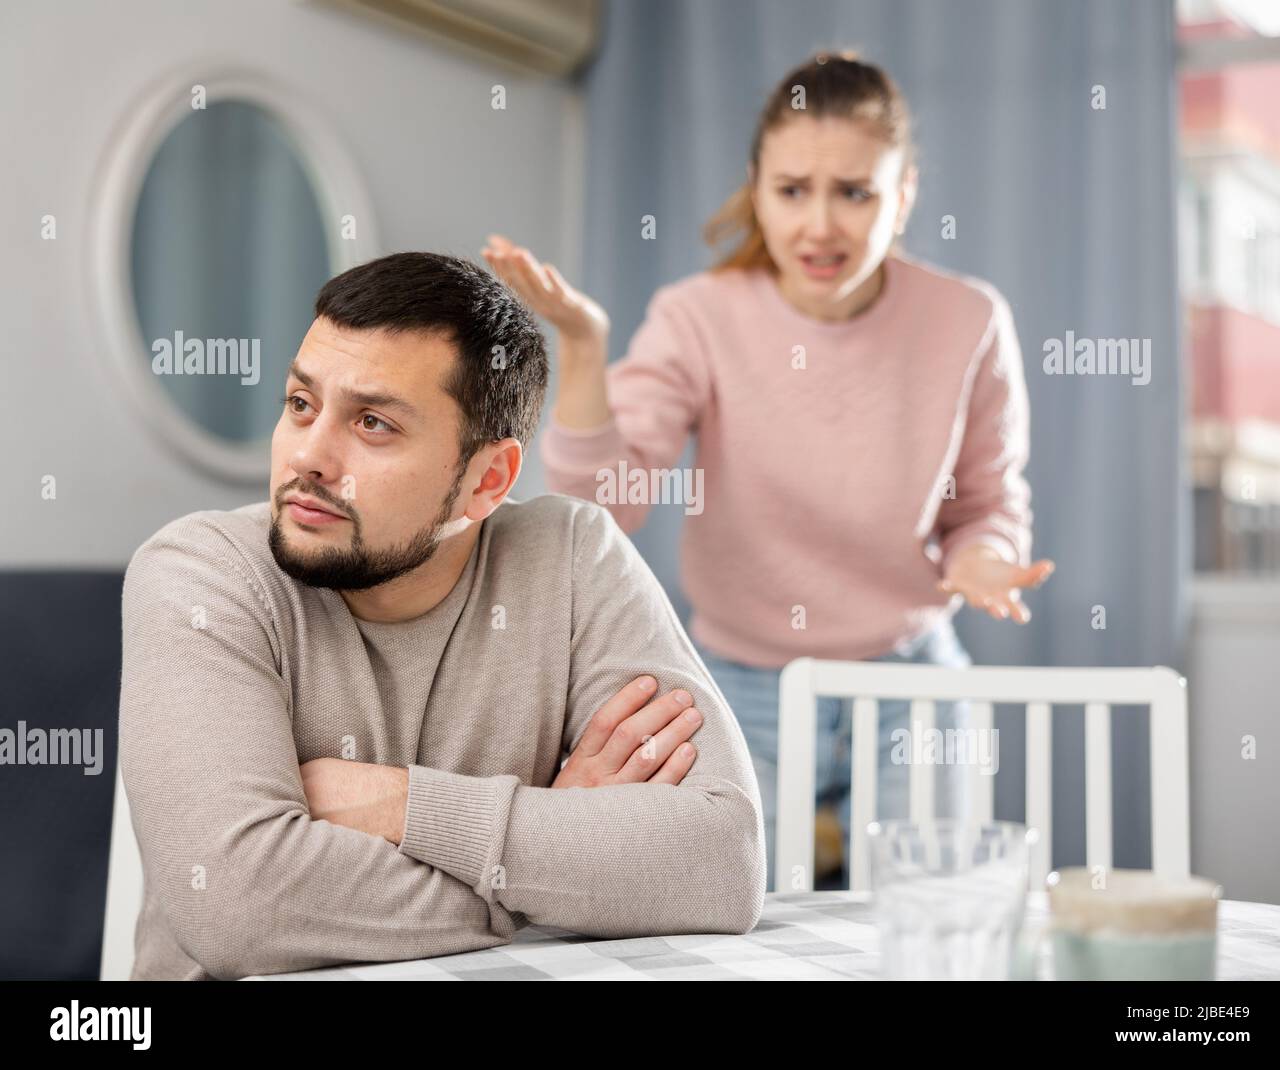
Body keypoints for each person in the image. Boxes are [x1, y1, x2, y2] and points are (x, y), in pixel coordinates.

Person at [483, 52, 1055, 892]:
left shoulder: (967, 319)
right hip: (744, 677)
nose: (820, 225)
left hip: (910, 666)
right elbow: (607, 504)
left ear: (902, 197)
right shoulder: (698, 316)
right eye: (793, 191)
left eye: (854, 192)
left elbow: (986, 502)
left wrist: (980, 555)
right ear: (758, 187)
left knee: (939, 903)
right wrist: (584, 347)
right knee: (754, 906)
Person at [118, 252, 764, 979]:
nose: (309, 458)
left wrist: (403, 806)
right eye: (301, 404)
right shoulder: (200, 574)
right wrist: (544, 863)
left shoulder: (574, 555)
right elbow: (241, 906)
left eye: (372, 423)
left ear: (487, 479)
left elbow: (722, 860)